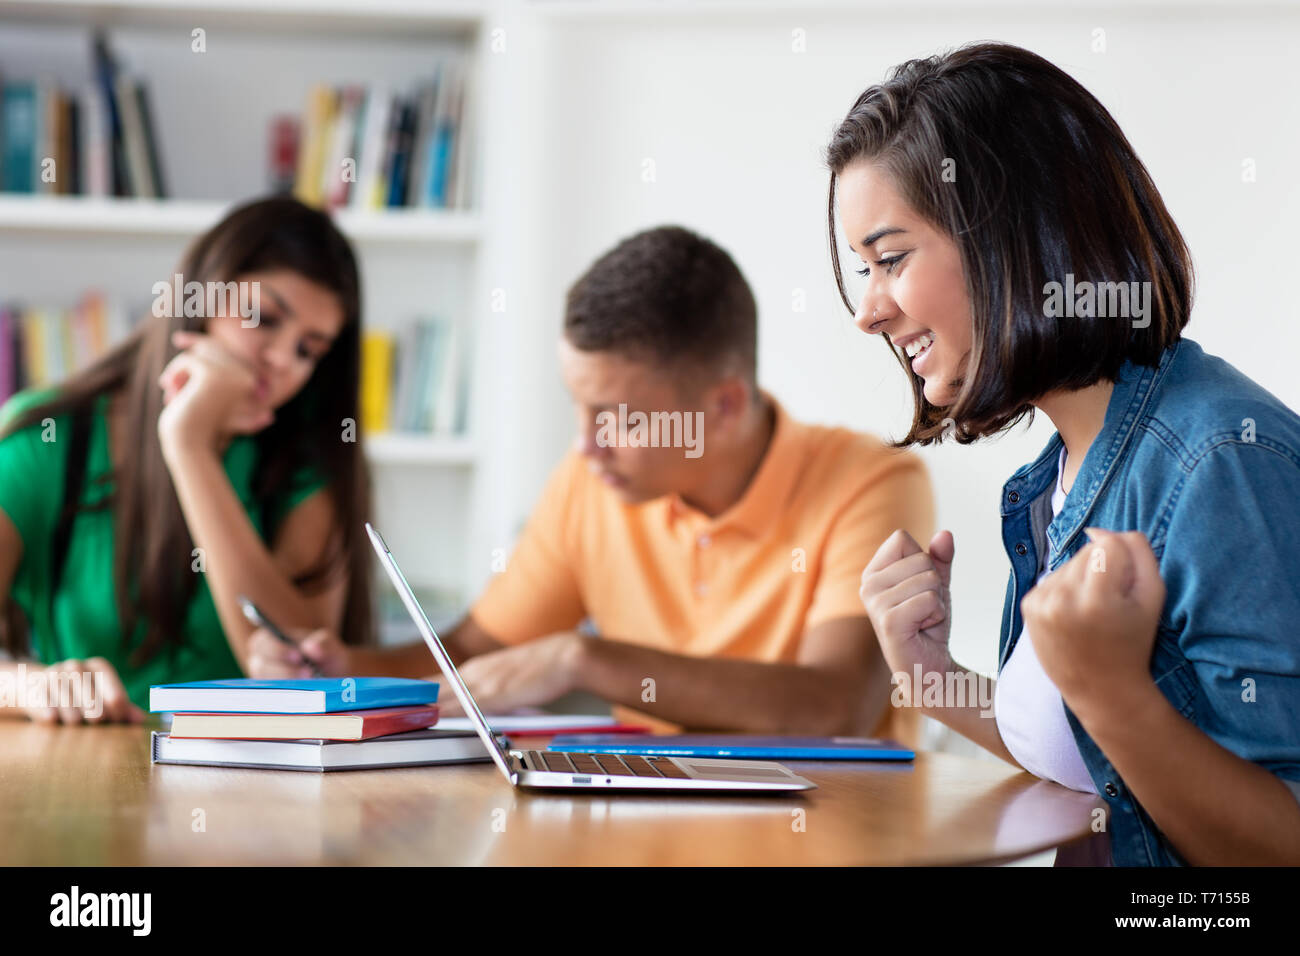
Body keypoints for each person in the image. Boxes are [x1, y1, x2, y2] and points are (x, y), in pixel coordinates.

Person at [835, 42, 1300, 865]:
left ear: (1015, 237)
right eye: (862, 269)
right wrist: (932, 679)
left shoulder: (1223, 462)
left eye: (892, 258)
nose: (869, 310)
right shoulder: (1057, 477)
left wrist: (1114, 693)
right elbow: (1097, 762)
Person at [250, 225, 933, 739]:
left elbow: (833, 703)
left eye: (617, 417)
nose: (586, 443)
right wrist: (344, 671)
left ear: (722, 407)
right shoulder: (590, 484)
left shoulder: (871, 482)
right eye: (579, 407)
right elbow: (472, 656)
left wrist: (584, 659)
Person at [0, 196, 373, 723]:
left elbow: (306, 680)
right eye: (264, 318)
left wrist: (189, 447)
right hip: (88, 774)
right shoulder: (48, 438)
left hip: (255, 786)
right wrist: (28, 687)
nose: (282, 362)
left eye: (308, 350)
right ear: (203, 293)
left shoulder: (305, 463)